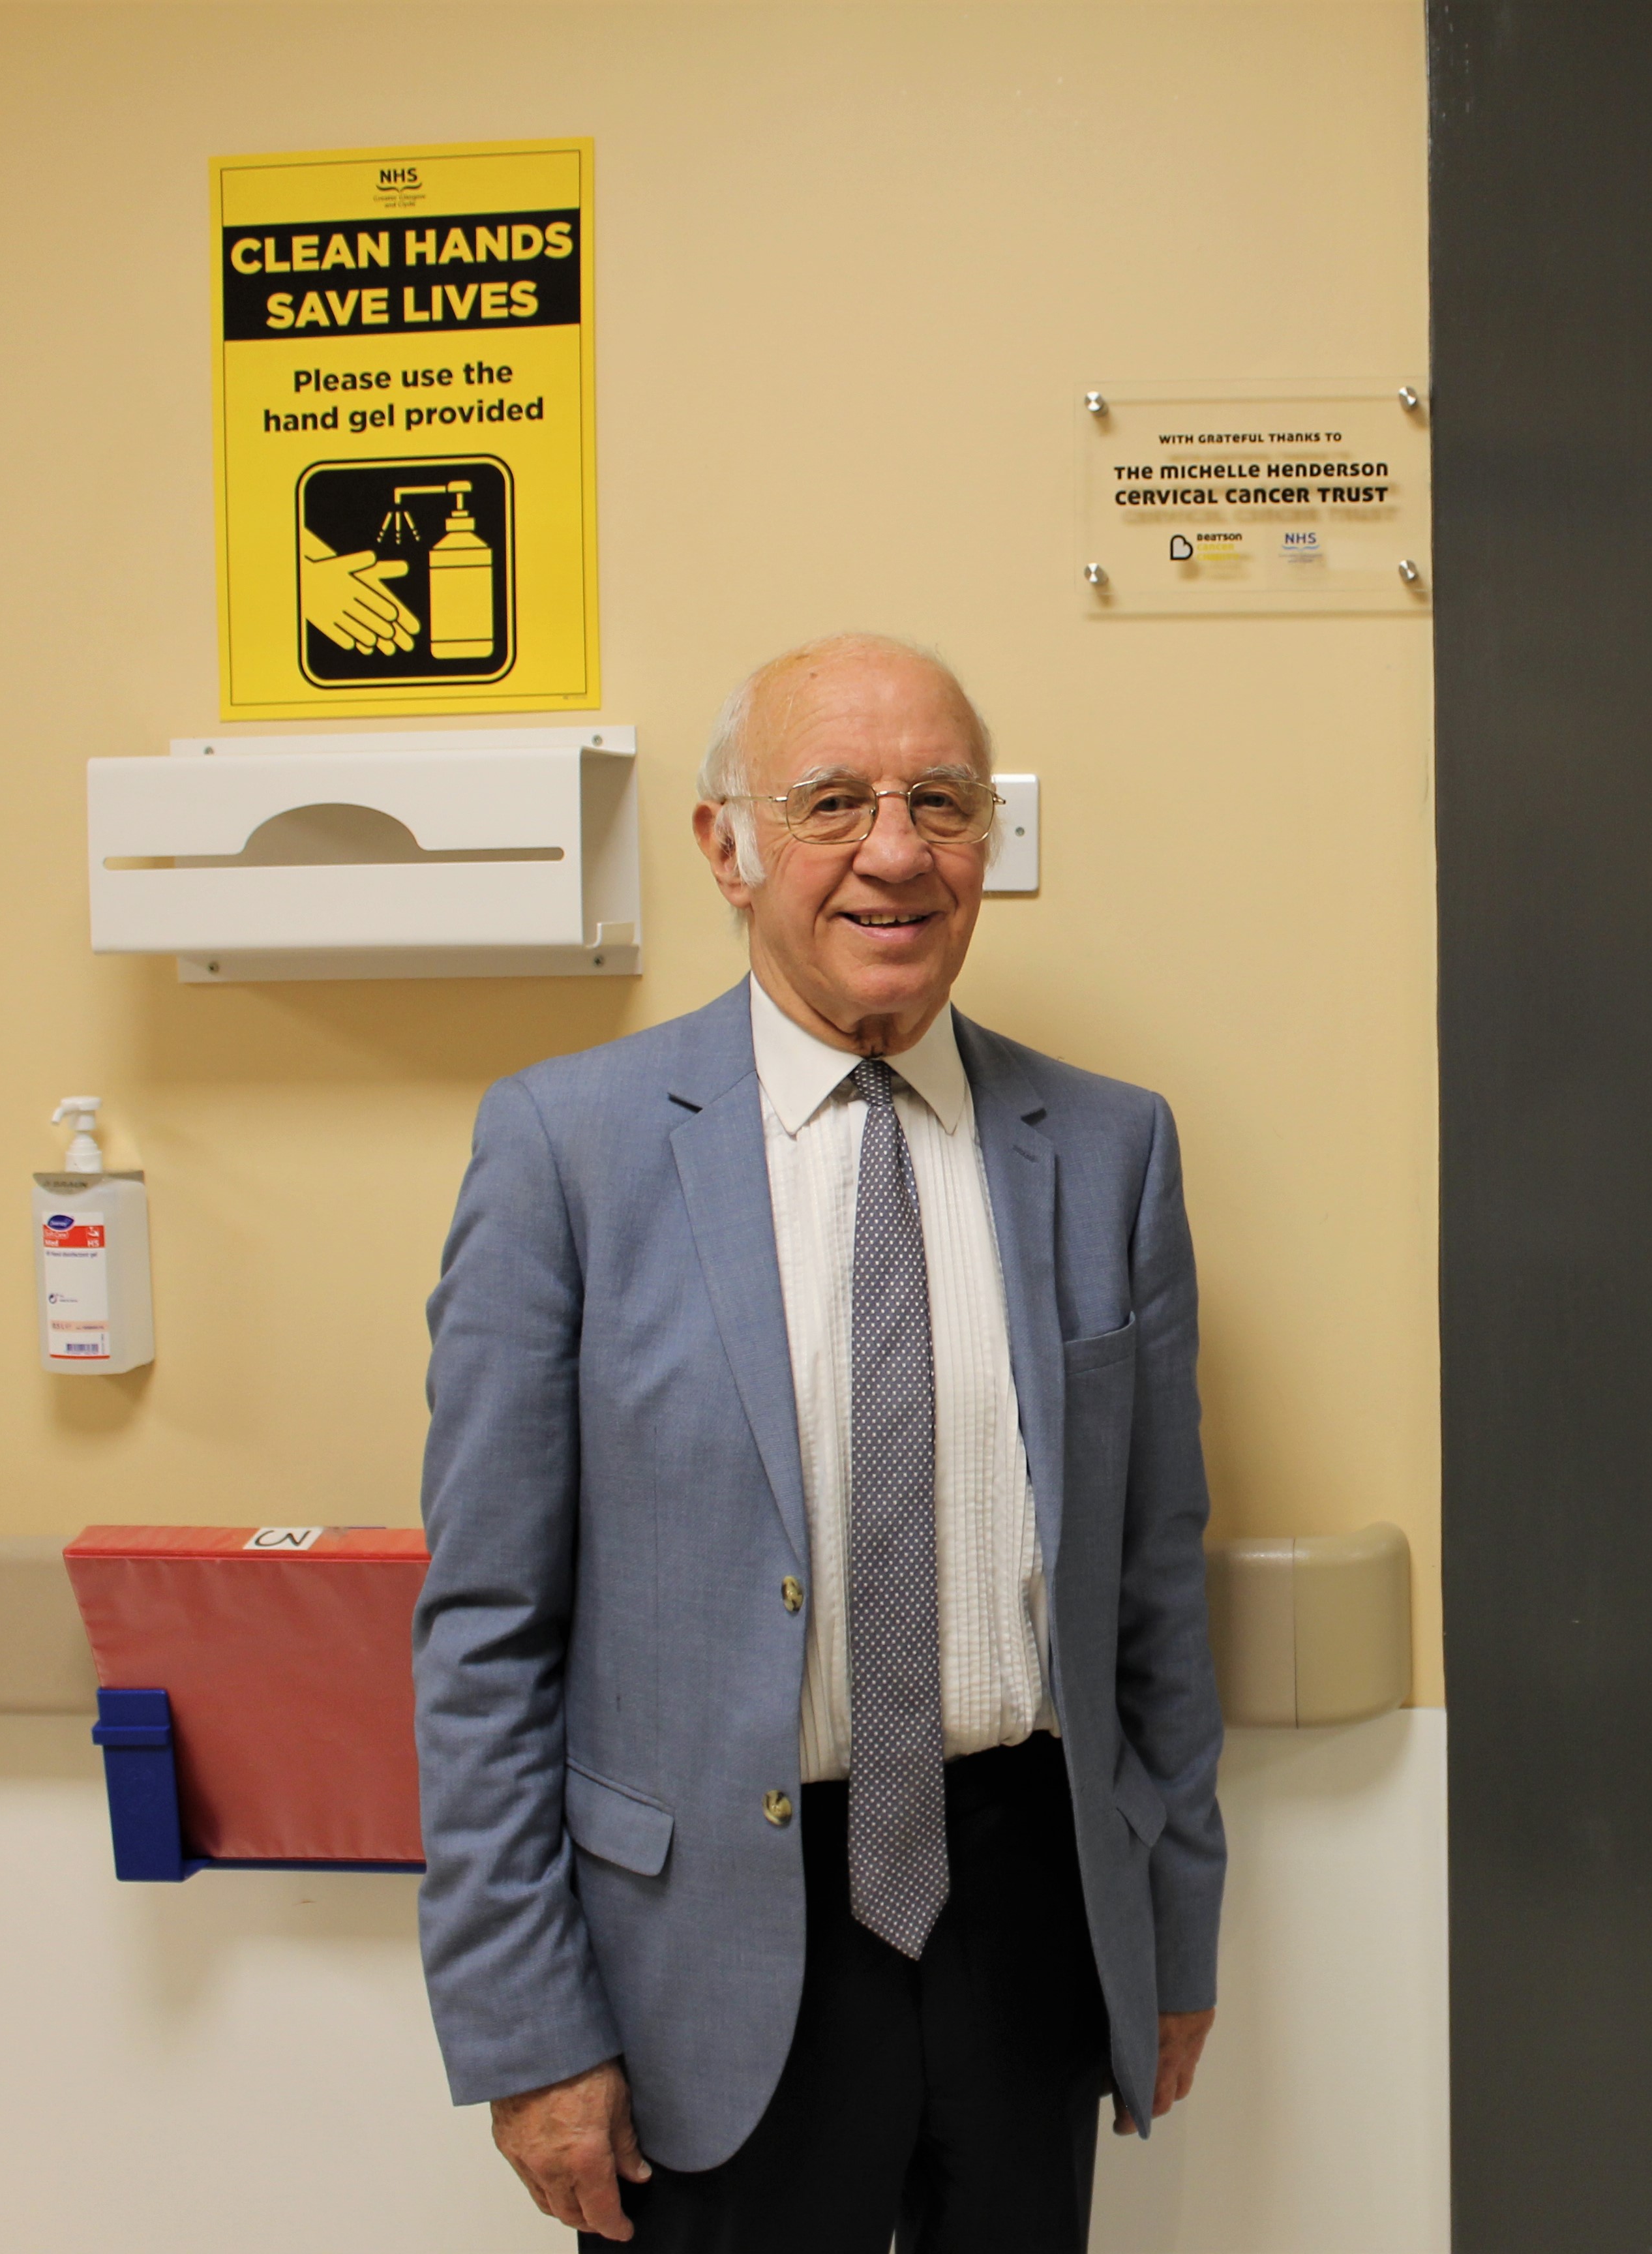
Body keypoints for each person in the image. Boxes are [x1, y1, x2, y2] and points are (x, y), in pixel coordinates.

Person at [413, 633, 1225, 2249]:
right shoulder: (566, 1153)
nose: (896, 851)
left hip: (1028, 1914)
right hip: (706, 1951)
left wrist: (1173, 1941)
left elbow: (1155, 1592)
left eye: (941, 801)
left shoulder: (1111, 1152)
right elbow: (488, 1631)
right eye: (832, 802)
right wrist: (528, 2028)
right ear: (725, 845)